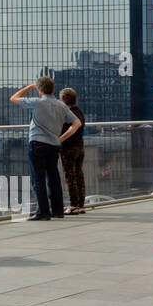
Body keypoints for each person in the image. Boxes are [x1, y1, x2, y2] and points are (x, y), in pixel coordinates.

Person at [10, 78, 80, 220]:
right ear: (53, 89)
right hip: (54, 145)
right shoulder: (61, 105)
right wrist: (62, 138)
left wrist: (29, 87)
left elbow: (14, 98)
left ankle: (43, 212)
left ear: (39, 89)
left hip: (37, 144)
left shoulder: (38, 102)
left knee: (38, 179)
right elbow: (76, 123)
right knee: (53, 178)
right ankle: (58, 210)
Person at [58, 87, 88, 215]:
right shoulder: (80, 112)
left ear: (64, 100)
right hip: (80, 147)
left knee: (70, 177)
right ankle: (80, 205)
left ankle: (73, 206)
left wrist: (60, 138)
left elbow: (69, 129)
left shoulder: (68, 114)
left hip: (69, 148)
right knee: (79, 176)